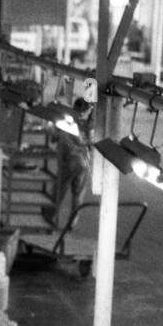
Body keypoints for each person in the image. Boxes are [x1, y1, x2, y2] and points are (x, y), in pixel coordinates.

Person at [44, 97, 93, 231]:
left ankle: (49, 215)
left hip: (68, 160)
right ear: (85, 111)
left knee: (60, 188)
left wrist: (51, 126)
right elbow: (91, 142)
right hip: (83, 162)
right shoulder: (87, 126)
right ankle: (72, 222)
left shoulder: (65, 120)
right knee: (78, 194)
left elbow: (52, 135)